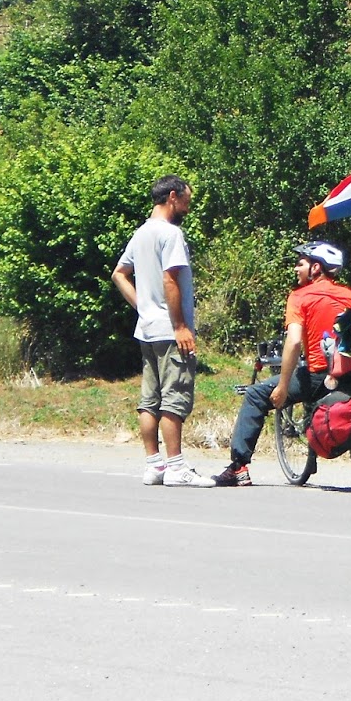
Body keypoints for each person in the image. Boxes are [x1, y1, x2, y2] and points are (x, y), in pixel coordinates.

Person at [214, 241, 351, 487]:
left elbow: (294, 342)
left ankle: (238, 467)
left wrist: (282, 386)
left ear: (316, 268)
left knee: (255, 394)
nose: (296, 268)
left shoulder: (300, 297)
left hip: (320, 374)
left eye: (301, 263)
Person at [112, 175, 214, 487]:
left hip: (147, 329)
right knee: (174, 398)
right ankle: (176, 467)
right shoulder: (170, 234)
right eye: (187, 200)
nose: (188, 206)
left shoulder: (142, 233)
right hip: (171, 331)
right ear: (173, 196)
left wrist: (143, 307)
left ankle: (154, 465)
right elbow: (171, 279)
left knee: (149, 399)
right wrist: (180, 325)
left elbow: (119, 273)